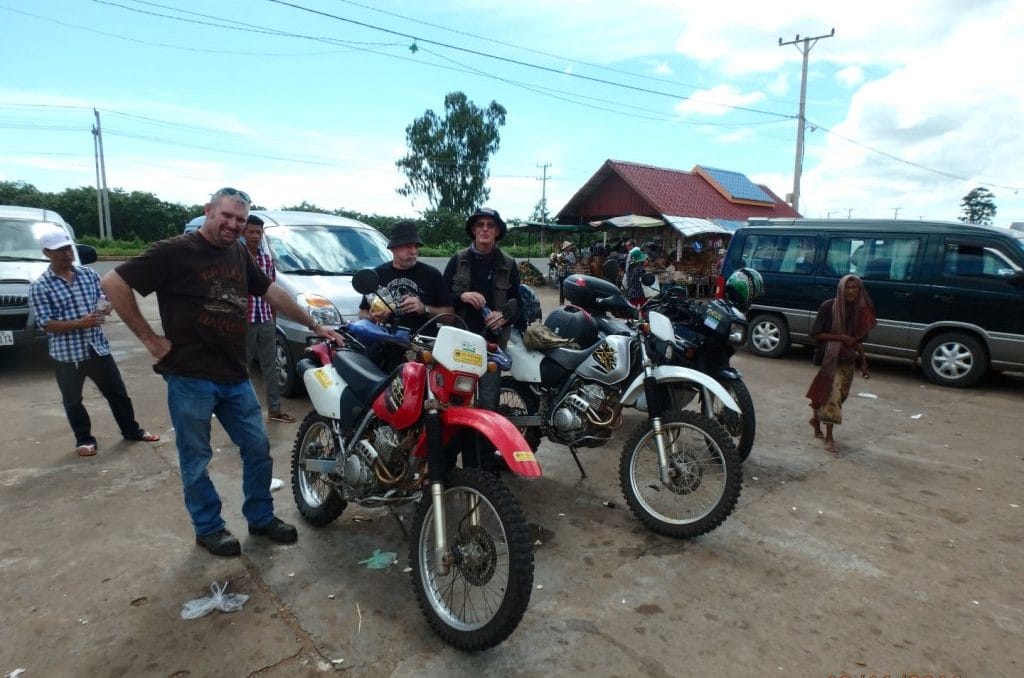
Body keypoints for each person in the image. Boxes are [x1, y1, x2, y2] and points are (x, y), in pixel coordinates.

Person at [101, 187, 344, 557]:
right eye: (226, 216)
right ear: (208, 211)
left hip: (234, 374)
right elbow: (113, 283)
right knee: (196, 457)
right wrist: (150, 339)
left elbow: (270, 292)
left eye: (240, 219)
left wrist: (315, 323)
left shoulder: (238, 252)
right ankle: (209, 528)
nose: (233, 225)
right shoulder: (175, 250)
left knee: (258, 448)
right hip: (190, 375)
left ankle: (260, 518)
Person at [28, 229, 159, 457]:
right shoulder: (41, 286)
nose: (66, 254)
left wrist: (105, 307)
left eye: (68, 248)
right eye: (59, 251)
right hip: (67, 355)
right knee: (73, 400)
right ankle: (84, 439)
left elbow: (104, 296)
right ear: (47, 253)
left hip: (97, 347)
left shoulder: (88, 275)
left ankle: (131, 430)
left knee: (117, 393)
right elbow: (45, 324)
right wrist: (81, 323)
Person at [443, 207, 521, 465]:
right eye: (480, 225)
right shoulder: (458, 260)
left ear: (497, 231)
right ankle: (448, 465)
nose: (485, 229)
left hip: (492, 347)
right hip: (459, 344)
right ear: (473, 230)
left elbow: (519, 305)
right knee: (454, 403)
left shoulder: (509, 264)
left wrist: (505, 316)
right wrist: (461, 296)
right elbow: (441, 298)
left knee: (488, 405)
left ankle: (483, 466)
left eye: (490, 225)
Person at [806, 274, 876, 454]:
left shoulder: (860, 312)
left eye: (855, 287)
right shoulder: (828, 307)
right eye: (848, 287)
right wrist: (841, 338)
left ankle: (816, 420)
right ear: (840, 289)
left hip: (848, 359)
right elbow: (816, 334)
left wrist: (864, 363)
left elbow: (857, 341)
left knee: (839, 395)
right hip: (831, 357)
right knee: (833, 397)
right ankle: (829, 437)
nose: (851, 291)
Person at [242, 215, 295, 424]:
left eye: (258, 232)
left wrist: (273, 320)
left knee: (271, 366)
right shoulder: (236, 257)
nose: (255, 236)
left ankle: (275, 409)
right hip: (244, 321)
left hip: (265, 319)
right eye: (251, 232)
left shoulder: (266, 259)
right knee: (242, 368)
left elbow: (272, 291)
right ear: (243, 233)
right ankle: (244, 412)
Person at [359, 219, 452, 331]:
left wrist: (425, 309)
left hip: (422, 339)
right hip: (385, 338)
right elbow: (363, 312)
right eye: (407, 246)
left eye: (416, 246)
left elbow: (450, 316)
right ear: (393, 249)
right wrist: (371, 318)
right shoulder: (377, 274)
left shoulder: (432, 275)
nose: (413, 251)